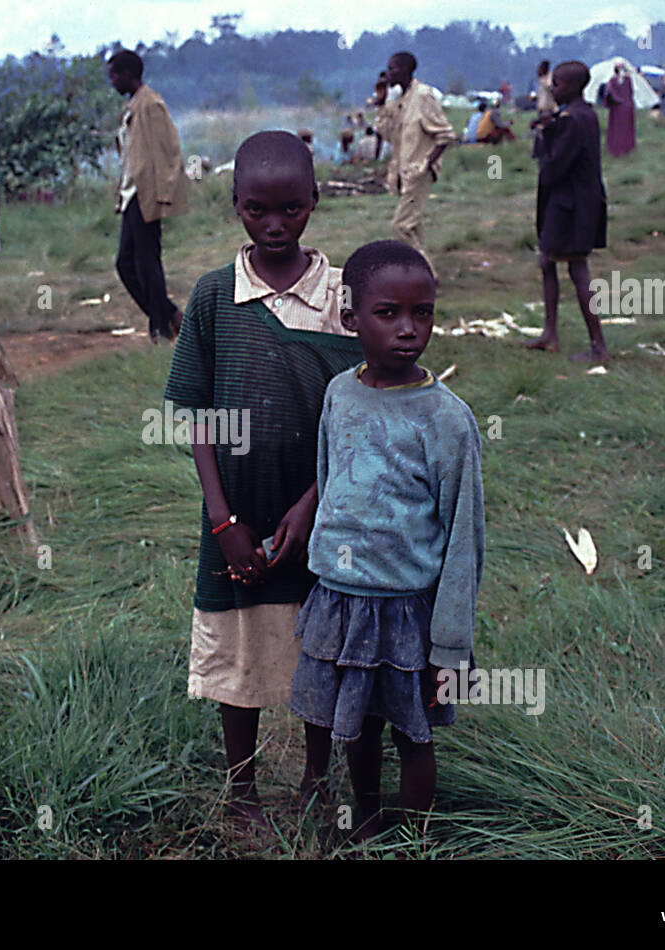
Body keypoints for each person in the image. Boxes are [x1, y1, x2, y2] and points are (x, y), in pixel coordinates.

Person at [162, 130, 362, 831]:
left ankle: (316, 776)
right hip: (237, 515)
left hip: (324, 515)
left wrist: (311, 504)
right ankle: (241, 788)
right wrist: (222, 523)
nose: (275, 227)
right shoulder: (217, 297)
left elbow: (360, 416)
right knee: (238, 654)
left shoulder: (344, 297)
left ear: (315, 201)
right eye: (257, 211)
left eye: (292, 210)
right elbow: (197, 416)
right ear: (234, 205)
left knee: (320, 646)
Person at [291, 239, 483, 838]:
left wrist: (448, 645)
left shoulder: (447, 419)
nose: (409, 329)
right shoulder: (338, 395)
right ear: (350, 318)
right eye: (388, 313)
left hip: (408, 612)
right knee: (359, 724)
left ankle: (414, 842)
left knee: (413, 730)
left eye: (422, 313)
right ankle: (367, 821)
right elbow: (328, 483)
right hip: (341, 601)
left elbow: (463, 538)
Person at [526, 61, 609, 364]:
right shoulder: (584, 115)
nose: (552, 89)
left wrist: (544, 136)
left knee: (577, 269)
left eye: (557, 84)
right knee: (548, 260)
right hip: (578, 201)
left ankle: (598, 345)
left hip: (570, 204)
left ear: (574, 87)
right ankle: (550, 333)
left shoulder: (572, 120)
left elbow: (554, 166)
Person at [108, 50, 188, 343]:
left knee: (147, 264)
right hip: (131, 194)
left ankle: (160, 329)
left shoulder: (150, 103)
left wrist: (163, 193)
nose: (113, 81)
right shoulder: (133, 105)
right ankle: (169, 317)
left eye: (115, 75)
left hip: (146, 195)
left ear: (129, 74)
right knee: (127, 265)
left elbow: (169, 149)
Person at [375, 51, 455, 275]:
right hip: (403, 171)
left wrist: (427, 164)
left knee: (401, 226)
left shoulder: (422, 96)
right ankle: (424, 272)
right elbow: (387, 133)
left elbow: (446, 135)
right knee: (414, 226)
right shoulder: (400, 100)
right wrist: (381, 101)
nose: (388, 73)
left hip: (417, 171)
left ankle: (424, 272)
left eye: (393, 68)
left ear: (406, 70)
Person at [604, 61, 636, 157]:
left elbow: (630, 93)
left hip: (625, 108)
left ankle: (626, 148)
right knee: (617, 129)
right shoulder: (613, 80)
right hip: (617, 109)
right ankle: (616, 149)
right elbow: (609, 93)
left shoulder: (627, 80)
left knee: (625, 129)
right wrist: (619, 101)